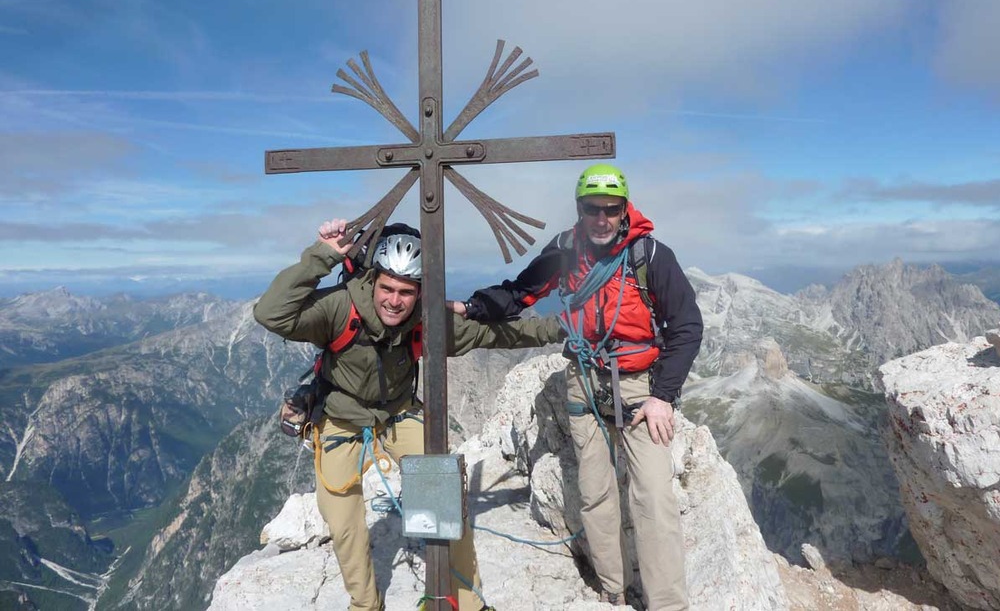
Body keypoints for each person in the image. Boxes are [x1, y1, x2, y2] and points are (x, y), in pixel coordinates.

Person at [254, 219, 566, 611]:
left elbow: (497, 334)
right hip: (340, 417)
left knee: (444, 494)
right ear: (372, 281)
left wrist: (566, 328)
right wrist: (322, 255)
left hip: (397, 414)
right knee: (343, 519)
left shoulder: (426, 320)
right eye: (387, 288)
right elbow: (271, 313)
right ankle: (366, 605)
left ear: (419, 292)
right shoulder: (340, 307)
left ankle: (466, 603)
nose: (394, 300)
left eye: (405, 292)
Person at [452, 164, 703, 610]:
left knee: (653, 497)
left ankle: (668, 604)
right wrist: (472, 307)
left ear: (624, 210)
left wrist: (663, 397)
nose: (602, 218)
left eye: (611, 209)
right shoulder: (566, 250)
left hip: (639, 387)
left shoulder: (649, 255)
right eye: (592, 209)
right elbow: (521, 293)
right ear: (579, 209)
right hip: (584, 381)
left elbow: (686, 326)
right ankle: (612, 591)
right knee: (594, 493)